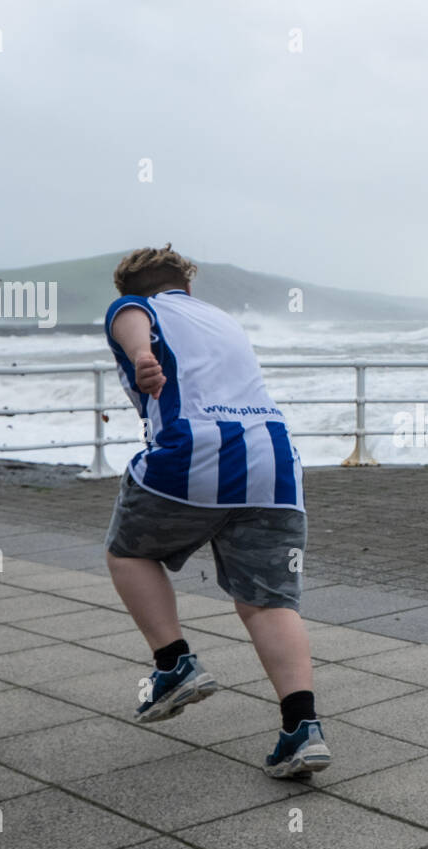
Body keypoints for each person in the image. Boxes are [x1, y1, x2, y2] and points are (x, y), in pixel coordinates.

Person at [101, 244, 331, 778]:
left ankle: (174, 663)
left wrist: (139, 355)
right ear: (187, 283)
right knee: (267, 603)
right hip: (274, 464)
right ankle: (302, 730)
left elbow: (131, 319)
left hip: (194, 455)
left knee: (128, 554)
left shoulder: (135, 307)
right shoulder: (220, 318)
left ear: (132, 287)